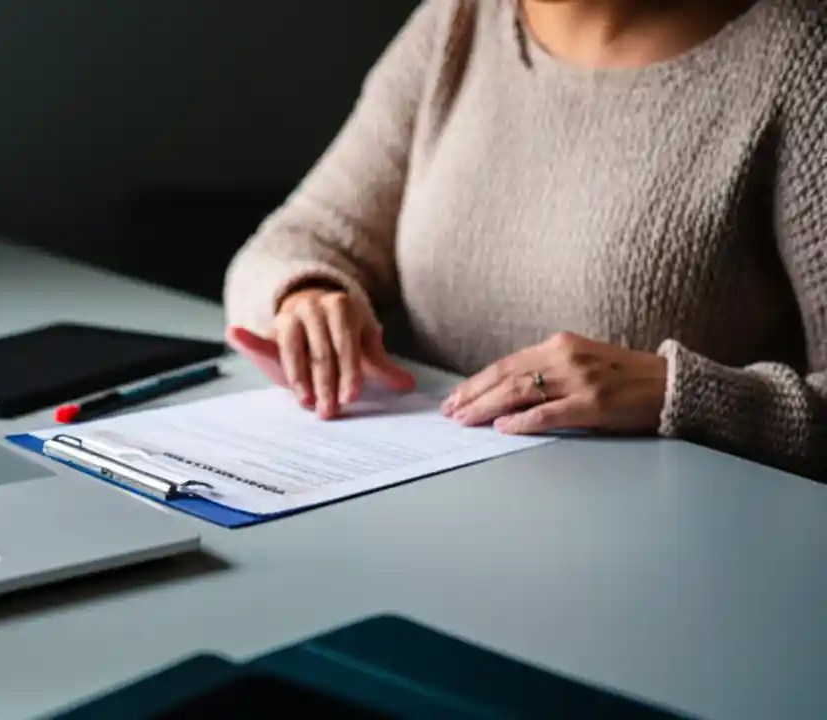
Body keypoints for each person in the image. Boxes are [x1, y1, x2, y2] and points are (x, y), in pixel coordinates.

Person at [222, 0, 827, 479]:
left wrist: (681, 393)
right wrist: (305, 296)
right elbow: (291, 242)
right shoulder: (460, 20)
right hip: (435, 513)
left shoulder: (799, 58)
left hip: (682, 552)